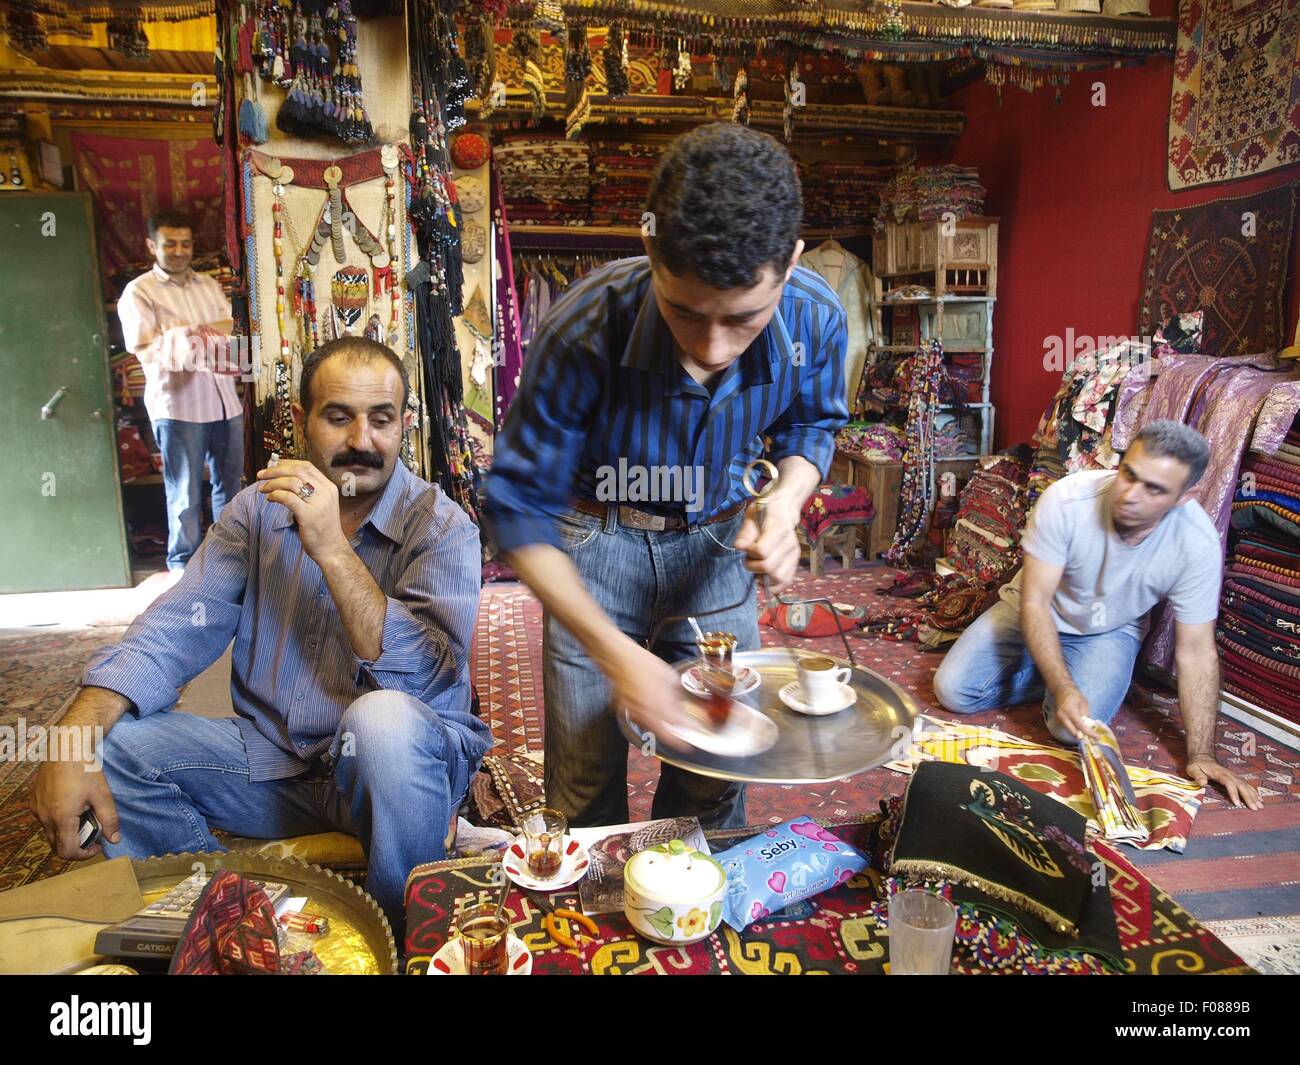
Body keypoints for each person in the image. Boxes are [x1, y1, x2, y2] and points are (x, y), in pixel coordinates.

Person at [30, 337, 491, 934]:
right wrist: (73, 738)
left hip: (401, 772)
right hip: (279, 765)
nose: (361, 441)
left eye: (381, 420)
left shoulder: (441, 525)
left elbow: (429, 677)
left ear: (405, 424)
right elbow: (175, 627)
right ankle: (222, 925)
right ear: (300, 421)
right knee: (117, 747)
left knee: (382, 722)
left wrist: (329, 547)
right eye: (337, 417)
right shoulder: (256, 512)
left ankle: (408, 937)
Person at [484, 122, 848, 830]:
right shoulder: (584, 327)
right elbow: (517, 504)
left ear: (791, 260)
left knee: (718, 777)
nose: (711, 347)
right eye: (684, 312)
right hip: (593, 546)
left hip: (717, 547)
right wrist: (613, 652)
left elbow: (812, 426)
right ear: (650, 249)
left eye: (743, 318)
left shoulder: (817, 316)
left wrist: (784, 501)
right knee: (584, 792)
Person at [934, 420, 1262, 809]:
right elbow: (1035, 603)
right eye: (1129, 475)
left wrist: (1202, 754)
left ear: (1183, 497)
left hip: (1110, 629)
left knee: (1068, 730)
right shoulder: (1067, 500)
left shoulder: (1196, 543)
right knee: (953, 691)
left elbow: (1196, 652)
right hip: (1031, 606)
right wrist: (1066, 687)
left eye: (1154, 489)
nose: (1131, 495)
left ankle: (1065, 673)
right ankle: (1056, 671)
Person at [117, 209, 244, 572]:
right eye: (169, 243)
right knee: (184, 493)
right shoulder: (139, 292)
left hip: (225, 402)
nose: (178, 250)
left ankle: (228, 561)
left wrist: (188, 333)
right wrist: (196, 335)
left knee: (230, 488)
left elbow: (231, 334)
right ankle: (182, 567)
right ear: (151, 246)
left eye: (185, 243)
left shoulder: (208, 285)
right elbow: (144, 348)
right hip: (178, 408)